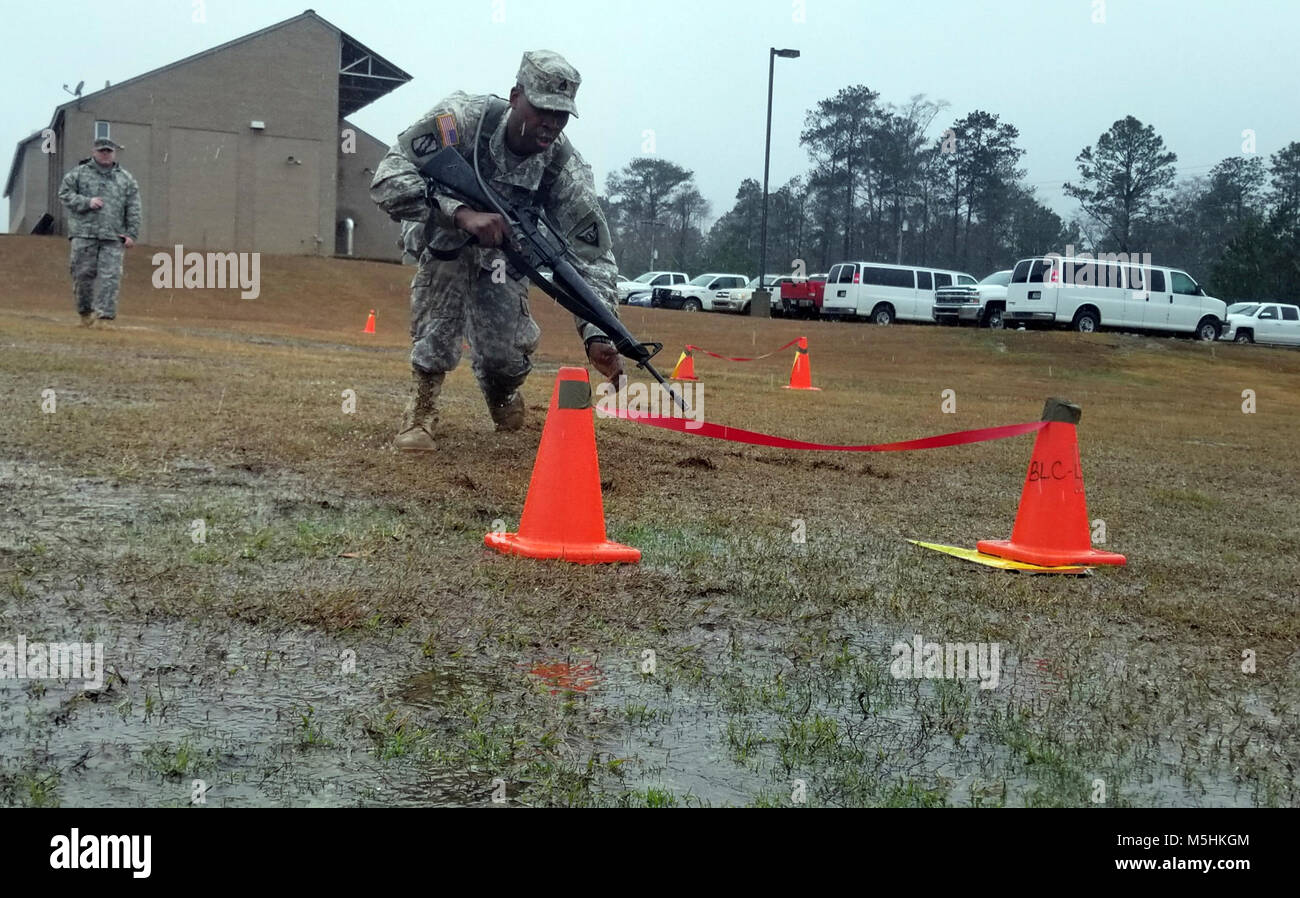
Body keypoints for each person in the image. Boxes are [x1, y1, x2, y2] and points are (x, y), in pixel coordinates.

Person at [370, 50, 626, 450]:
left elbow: (590, 256)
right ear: (515, 96)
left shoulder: (563, 167)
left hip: (504, 259)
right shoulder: (461, 121)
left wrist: (598, 331)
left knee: (505, 354)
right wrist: (459, 213)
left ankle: (502, 391)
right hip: (444, 241)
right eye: (542, 109)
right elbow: (388, 178)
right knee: (440, 316)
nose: (550, 124)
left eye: (561, 115)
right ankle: (420, 412)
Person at [57, 137, 141, 327]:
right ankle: (85, 314)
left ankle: (105, 318)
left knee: (110, 278)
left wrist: (131, 233)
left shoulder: (125, 179)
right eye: (102, 151)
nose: (105, 154)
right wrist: (86, 202)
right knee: (82, 276)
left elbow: (134, 207)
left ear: (114, 153)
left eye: (109, 151)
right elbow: (64, 194)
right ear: (94, 152)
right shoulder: (78, 174)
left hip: (113, 236)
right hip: (84, 234)